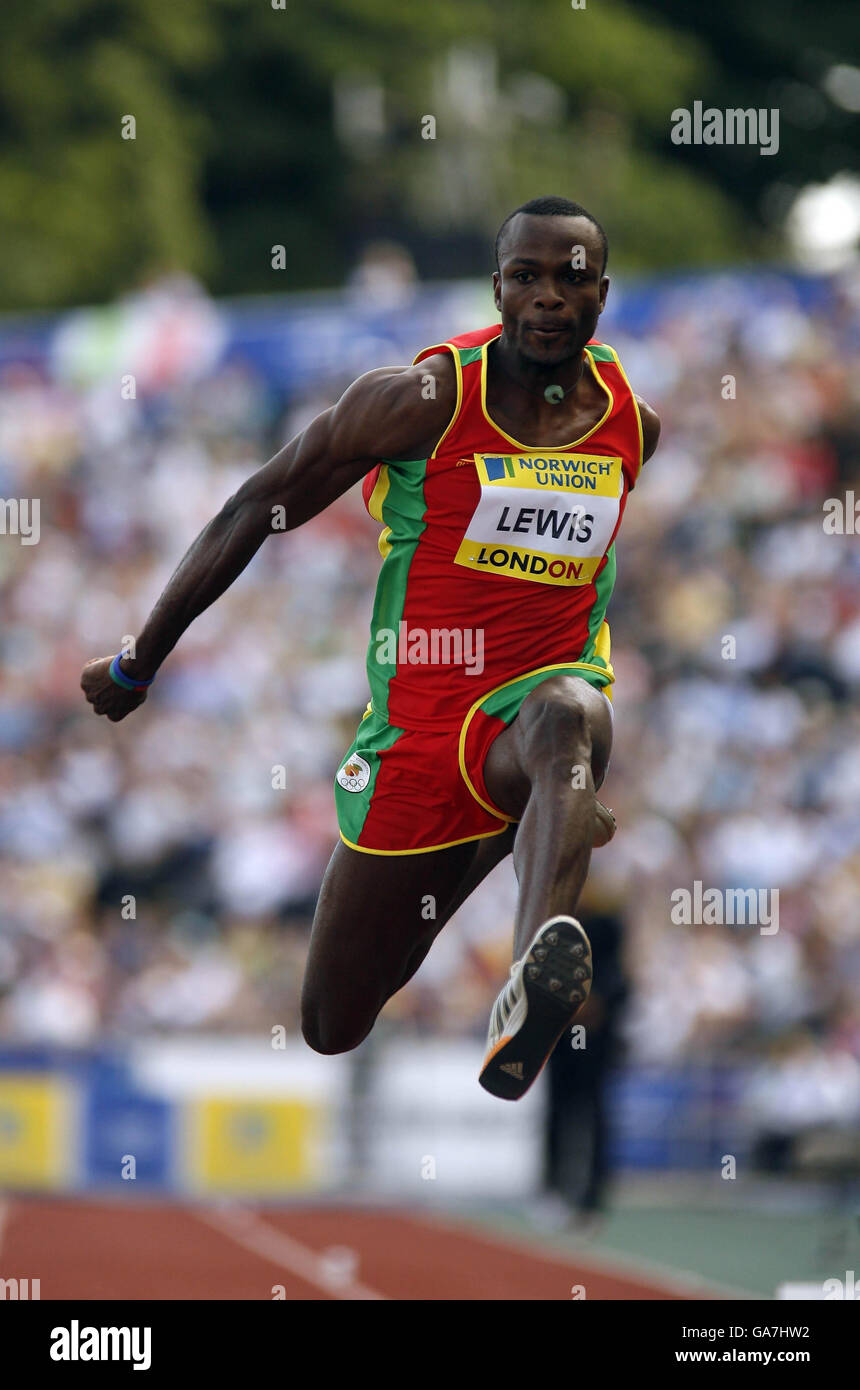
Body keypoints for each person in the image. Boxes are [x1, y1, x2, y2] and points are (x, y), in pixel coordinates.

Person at [81, 195, 660, 1101]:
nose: (550, 297)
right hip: (419, 734)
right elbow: (254, 507)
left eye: (572, 278)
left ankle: (527, 984)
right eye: (528, 277)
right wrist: (138, 661)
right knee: (335, 1021)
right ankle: (535, 825)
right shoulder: (424, 401)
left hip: (537, 708)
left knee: (571, 718)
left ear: (603, 293)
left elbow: (590, 581)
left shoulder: (632, 423)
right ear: (497, 290)